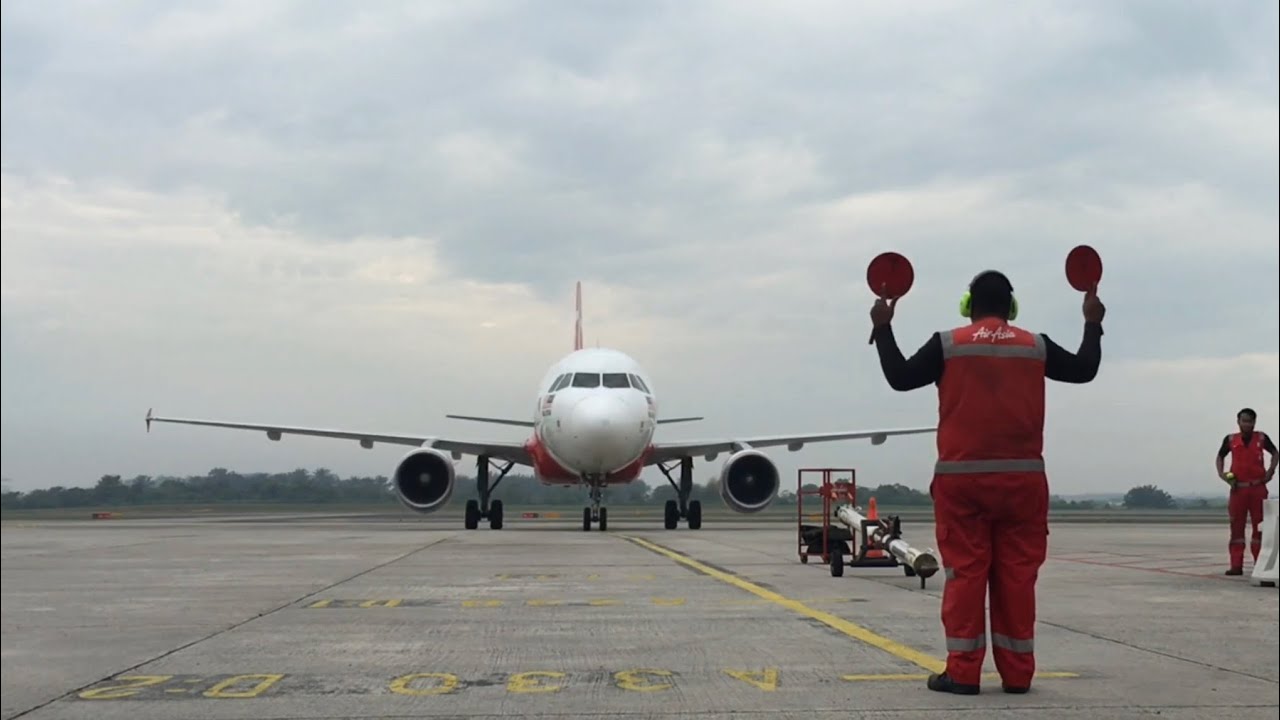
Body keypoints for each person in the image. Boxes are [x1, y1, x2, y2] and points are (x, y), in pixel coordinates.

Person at [868, 269, 1104, 696]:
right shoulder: (1035, 346)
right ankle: (1018, 674)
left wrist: (882, 328)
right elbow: (1085, 369)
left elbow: (899, 377)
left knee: (966, 576)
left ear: (967, 306)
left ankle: (962, 672)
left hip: (963, 484)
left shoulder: (948, 344)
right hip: (1022, 484)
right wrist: (1092, 321)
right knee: (1017, 578)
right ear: (1012, 307)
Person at [1214, 408, 1277, 575]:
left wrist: (1271, 471)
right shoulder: (1231, 439)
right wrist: (1222, 474)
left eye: (1250, 421)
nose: (1247, 424)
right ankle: (1236, 565)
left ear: (1254, 422)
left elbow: (1275, 453)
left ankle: (1260, 563)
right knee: (1236, 528)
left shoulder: (1261, 438)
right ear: (1238, 422)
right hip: (1238, 489)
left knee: (1260, 528)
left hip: (1258, 488)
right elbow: (1220, 456)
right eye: (1244, 421)